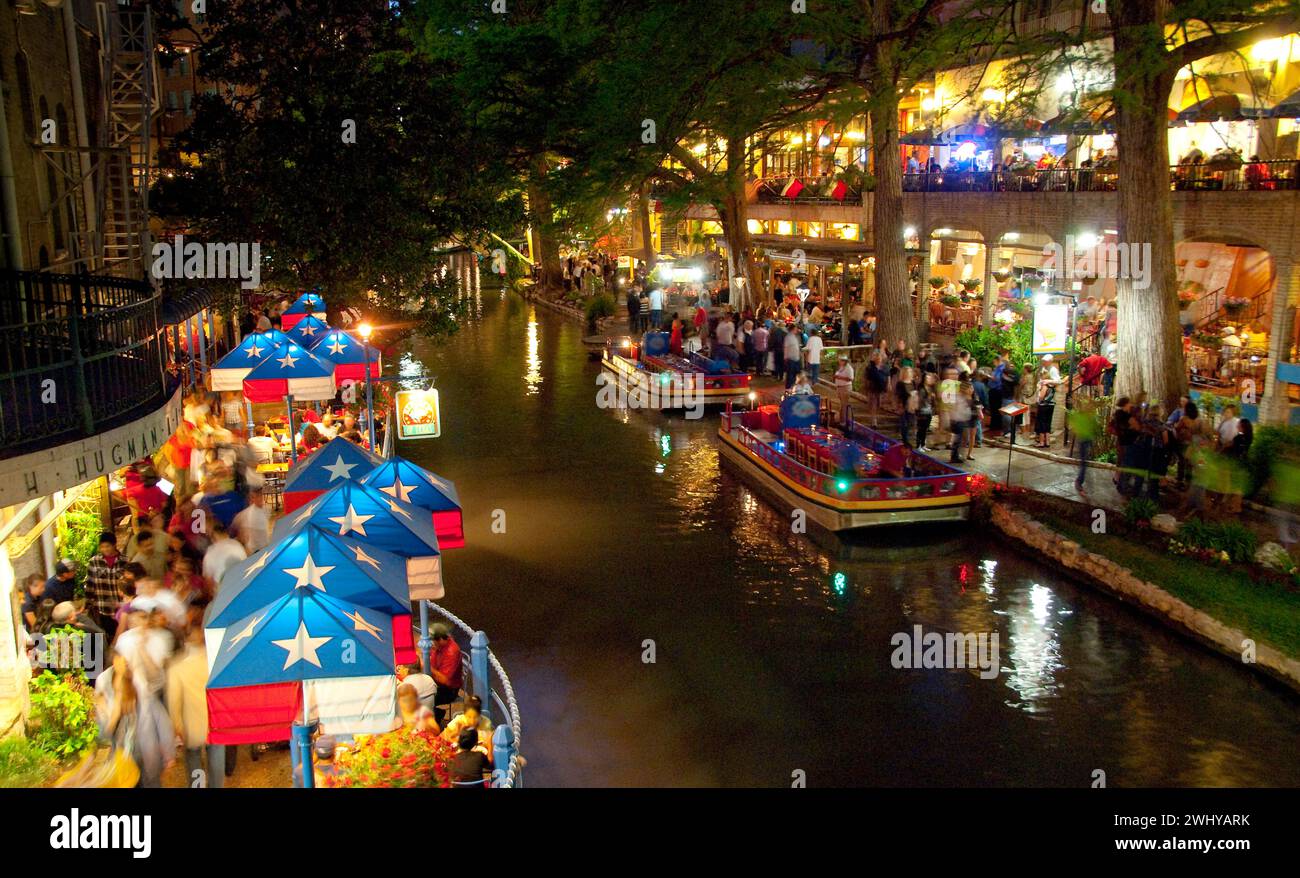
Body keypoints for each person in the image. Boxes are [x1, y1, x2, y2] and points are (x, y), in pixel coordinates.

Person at [167, 611, 225, 787]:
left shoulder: (176, 667)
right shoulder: (215, 661)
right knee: (216, 761)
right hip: (215, 721)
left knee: (194, 762)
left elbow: (173, 701)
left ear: (184, 641)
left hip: (191, 725)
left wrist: (177, 725)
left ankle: (198, 785)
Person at [99, 655, 174, 788]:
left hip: (144, 759)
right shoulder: (110, 706)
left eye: (119, 689)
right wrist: (114, 716)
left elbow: (164, 725)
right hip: (127, 763)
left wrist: (168, 754)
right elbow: (103, 737)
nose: (118, 693)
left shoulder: (146, 699)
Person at [85, 532, 124, 641]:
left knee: (121, 635)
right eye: (102, 547)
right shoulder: (94, 562)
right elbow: (90, 583)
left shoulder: (124, 561)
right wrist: (88, 602)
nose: (105, 549)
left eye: (107, 546)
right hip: (103, 606)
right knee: (107, 635)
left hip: (121, 605)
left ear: (114, 545)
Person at [429, 624, 463, 728]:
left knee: (426, 697)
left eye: (433, 641)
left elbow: (445, 680)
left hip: (449, 689)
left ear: (439, 640)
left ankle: (434, 722)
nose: (431, 643)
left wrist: (427, 666)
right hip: (437, 682)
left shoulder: (452, 652)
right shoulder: (438, 647)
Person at [441, 694, 494, 758]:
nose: (472, 721)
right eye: (469, 717)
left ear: (480, 715)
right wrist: (455, 735)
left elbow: (490, 742)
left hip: (478, 757)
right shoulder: (458, 721)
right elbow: (443, 737)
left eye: (475, 717)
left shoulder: (486, 723)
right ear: (464, 714)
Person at [202, 522, 248, 587]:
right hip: (246, 580)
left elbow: (208, 582)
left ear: (213, 538)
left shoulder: (209, 555)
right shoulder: (237, 544)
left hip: (227, 589)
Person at [231, 488, 270, 554]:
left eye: (260, 496)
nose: (259, 499)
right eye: (256, 497)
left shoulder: (266, 509)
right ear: (252, 499)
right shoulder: (249, 513)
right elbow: (237, 521)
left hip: (265, 546)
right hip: (255, 550)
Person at [1033, 355, 1061, 447]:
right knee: (1048, 423)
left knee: (1042, 423)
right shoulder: (1051, 385)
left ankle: (1041, 442)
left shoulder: (1046, 383)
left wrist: (1038, 393)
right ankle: (1047, 442)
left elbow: (1041, 396)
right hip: (1051, 404)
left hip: (1044, 404)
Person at [833, 355, 854, 424]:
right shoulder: (841, 367)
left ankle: (844, 421)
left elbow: (850, 378)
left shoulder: (849, 368)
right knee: (842, 404)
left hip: (845, 387)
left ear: (844, 361)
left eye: (840, 360)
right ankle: (842, 420)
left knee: (844, 404)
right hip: (839, 387)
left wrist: (839, 377)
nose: (839, 362)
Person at [783, 325, 802, 390]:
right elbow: (786, 347)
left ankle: (793, 386)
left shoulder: (795, 336)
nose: (797, 330)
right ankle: (788, 388)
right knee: (790, 374)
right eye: (796, 328)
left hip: (796, 358)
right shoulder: (788, 337)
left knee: (795, 373)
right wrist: (785, 357)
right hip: (791, 358)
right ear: (792, 329)